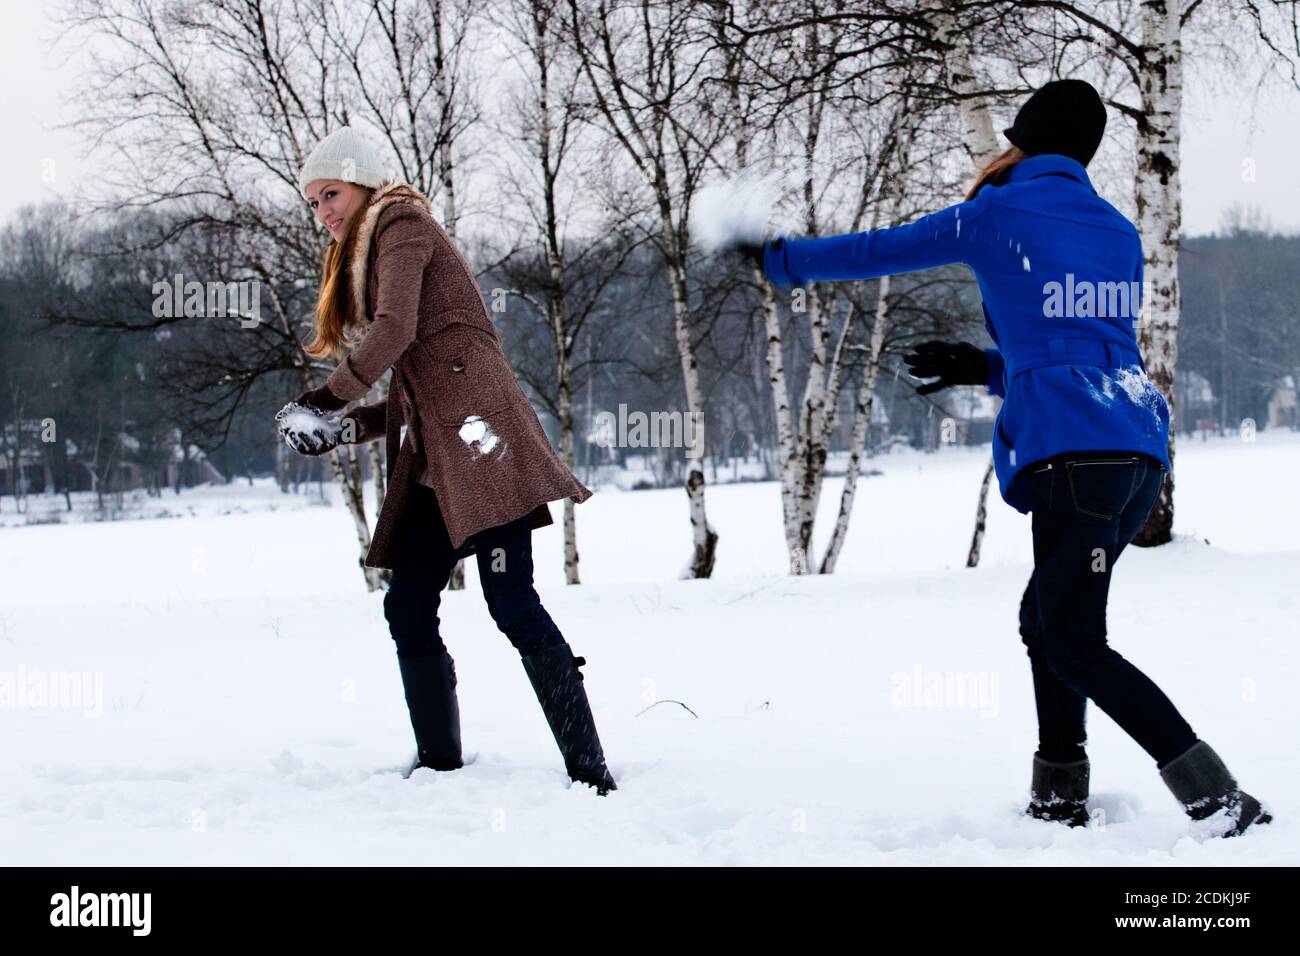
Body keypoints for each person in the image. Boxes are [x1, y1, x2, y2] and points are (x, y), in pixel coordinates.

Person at [745, 80, 1269, 835]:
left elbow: (878, 250)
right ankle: (1060, 794)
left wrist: (779, 261)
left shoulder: (995, 212)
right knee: (1047, 624)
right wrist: (984, 369)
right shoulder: (1118, 231)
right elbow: (1092, 352)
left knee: (1077, 643)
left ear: (1022, 138)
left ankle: (1219, 801)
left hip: (1074, 461)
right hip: (1133, 463)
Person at [280, 126, 616, 794]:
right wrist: (338, 429)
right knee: (407, 606)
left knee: (511, 604)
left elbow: (396, 331)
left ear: (365, 183)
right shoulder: (375, 250)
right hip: (440, 468)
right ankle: (438, 765)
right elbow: (409, 400)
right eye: (314, 203)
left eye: (331, 193)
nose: (324, 212)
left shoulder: (403, 226)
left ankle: (591, 773)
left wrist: (325, 397)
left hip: (484, 453)